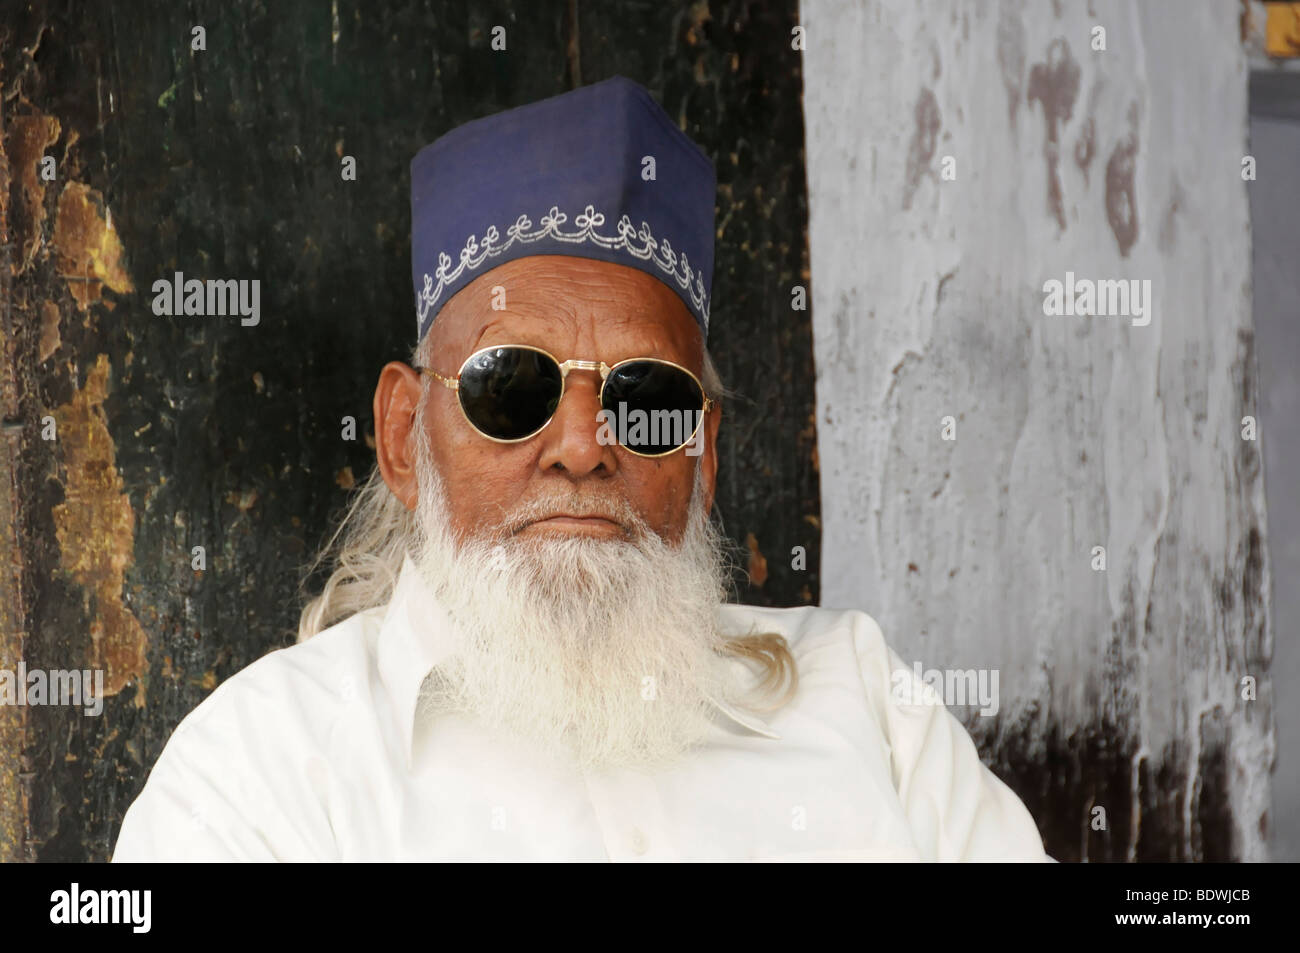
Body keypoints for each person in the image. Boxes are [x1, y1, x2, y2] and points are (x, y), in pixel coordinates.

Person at [112, 76, 1050, 862]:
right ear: (406, 435)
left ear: (703, 454)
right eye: (511, 385)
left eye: (647, 397)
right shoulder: (261, 773)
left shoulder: (864, 704)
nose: (581, 443)